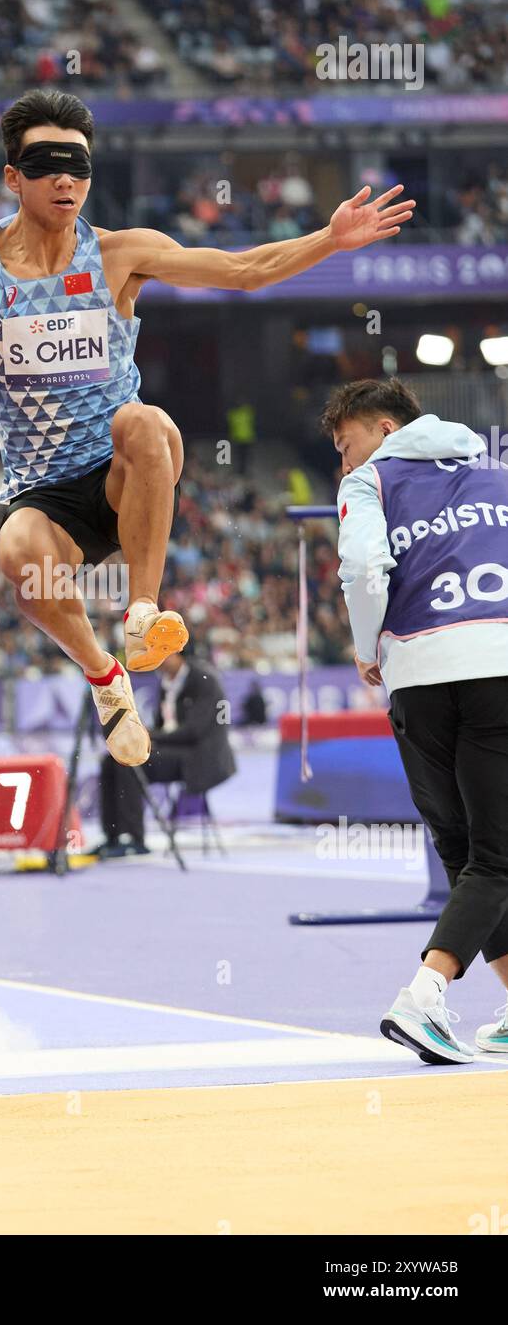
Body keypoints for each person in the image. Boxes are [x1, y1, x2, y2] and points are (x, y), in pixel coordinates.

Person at [0, 87, 414, 768]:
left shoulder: (120, 253)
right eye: (46, 164)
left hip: (125, 472)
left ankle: (143, 612)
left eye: (79, 166)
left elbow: (241, 271)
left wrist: (330, 238)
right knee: (15, 555)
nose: (65, 179)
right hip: (46, 492)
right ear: (12, 177)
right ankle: (105, 678)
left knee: (145, 422)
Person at [322, 376, 508, 1064]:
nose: (344, 463)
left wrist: (368, 644)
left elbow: (365, 568)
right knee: (491, 857)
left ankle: (428, 997)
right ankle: (425, 995)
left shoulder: (370, 483)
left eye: (347, 445)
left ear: (385, 428)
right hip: (497, 664)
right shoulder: (498, 474)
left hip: (418, 677)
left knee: (470, 854)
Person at [95, 646, 236, 856]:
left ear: (177, 653)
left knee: (130, 764)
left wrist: (150, 736)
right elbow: (165, 726)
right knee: (111, 760)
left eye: (161, 653)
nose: (155, 659)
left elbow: (194, 731)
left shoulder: (204, 679)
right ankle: (112, 836)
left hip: (199, 756)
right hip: (173, 748)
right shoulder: (166, 682)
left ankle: (134, 838)